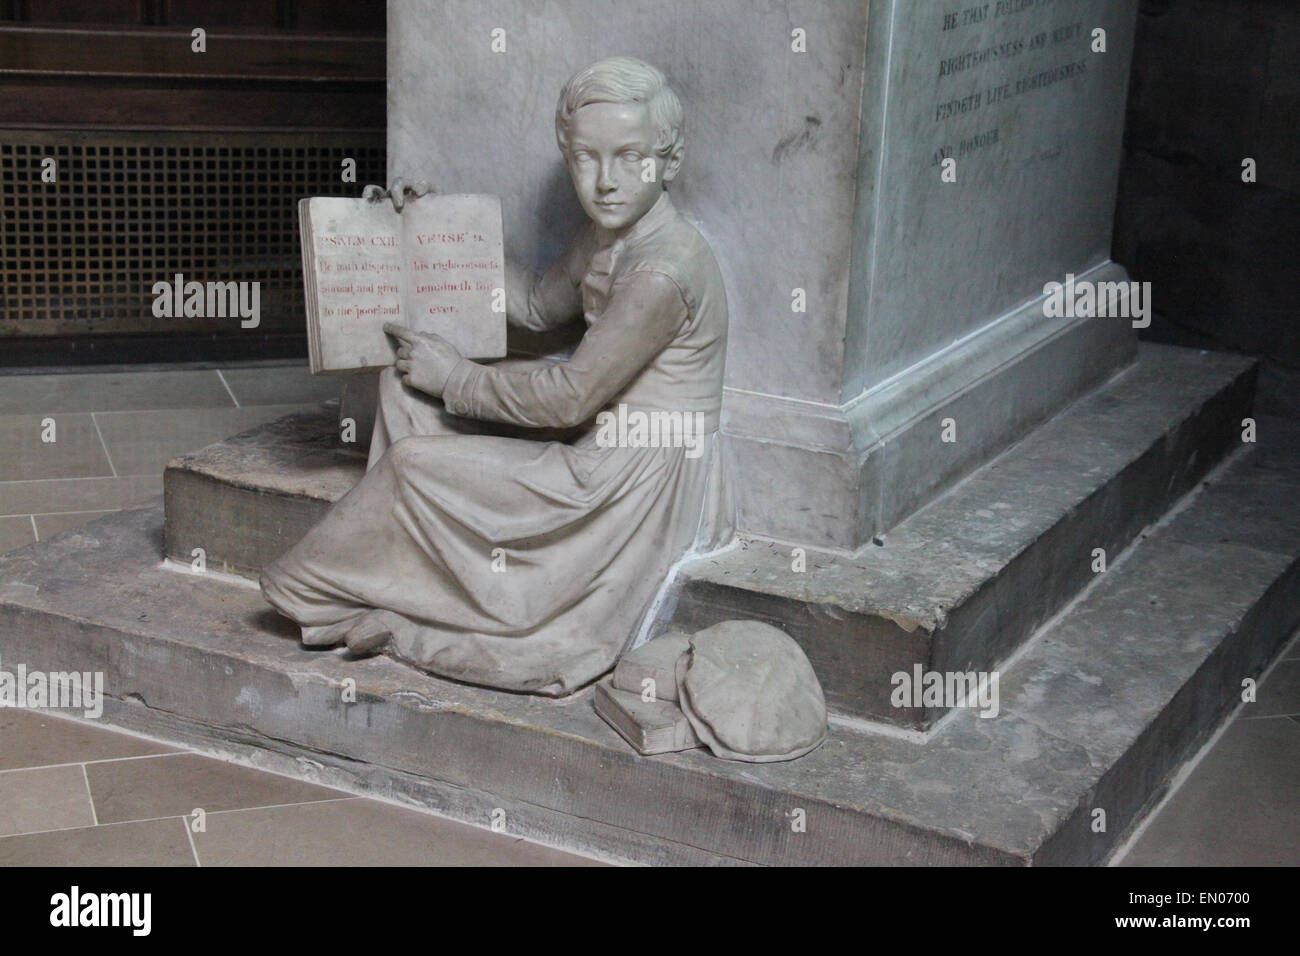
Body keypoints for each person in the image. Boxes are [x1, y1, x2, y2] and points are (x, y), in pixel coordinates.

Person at [260, 56, 734, 696]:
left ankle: (312, 588)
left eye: (630, 157)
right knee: (402, 390)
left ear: (668, 162)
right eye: (586, 159)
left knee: (412, 463)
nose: (606, 181)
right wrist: (431, 227)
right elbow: (540, 304)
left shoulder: (663, 269)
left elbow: (569, 396)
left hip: (626, 473)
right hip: (598, 433)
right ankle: (422, 575)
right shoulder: (608, 237)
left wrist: (455, 376)